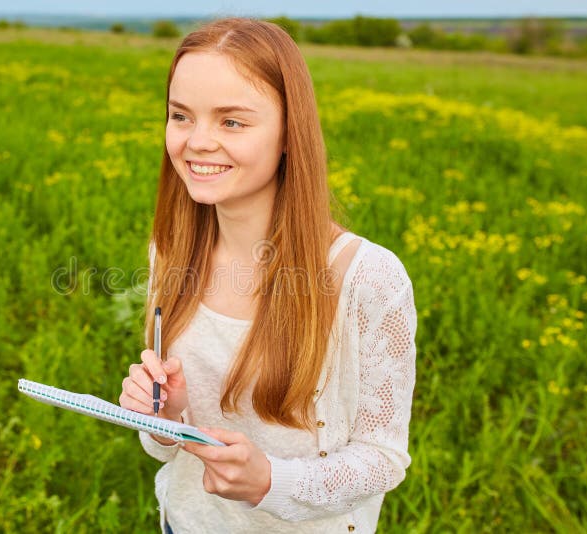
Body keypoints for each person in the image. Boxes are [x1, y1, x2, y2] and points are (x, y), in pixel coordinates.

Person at [118, 17, 417, 533]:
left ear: (287, 134)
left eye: (231, 122)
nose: (198, 142)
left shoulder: (368, 279)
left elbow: (382, 458)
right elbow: (164, 450)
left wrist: (269, 482)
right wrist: (163, 422)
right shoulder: (169, 252)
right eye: (181, 116)